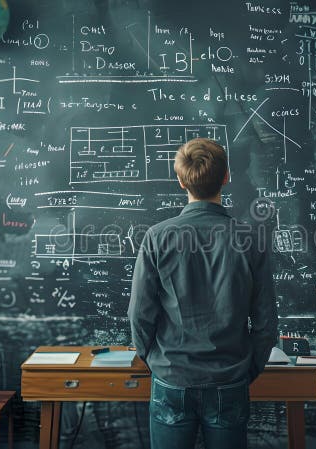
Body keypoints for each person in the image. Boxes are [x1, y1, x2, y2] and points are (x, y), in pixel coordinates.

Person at [128, 137, 279, 449]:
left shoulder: (157, 238)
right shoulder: (251, 240)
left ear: (181, 181)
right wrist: (248, 369)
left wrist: (155, 360)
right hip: (230, 379)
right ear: (225, 177)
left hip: (172, 377)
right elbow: (266, 321)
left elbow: (139, 314)